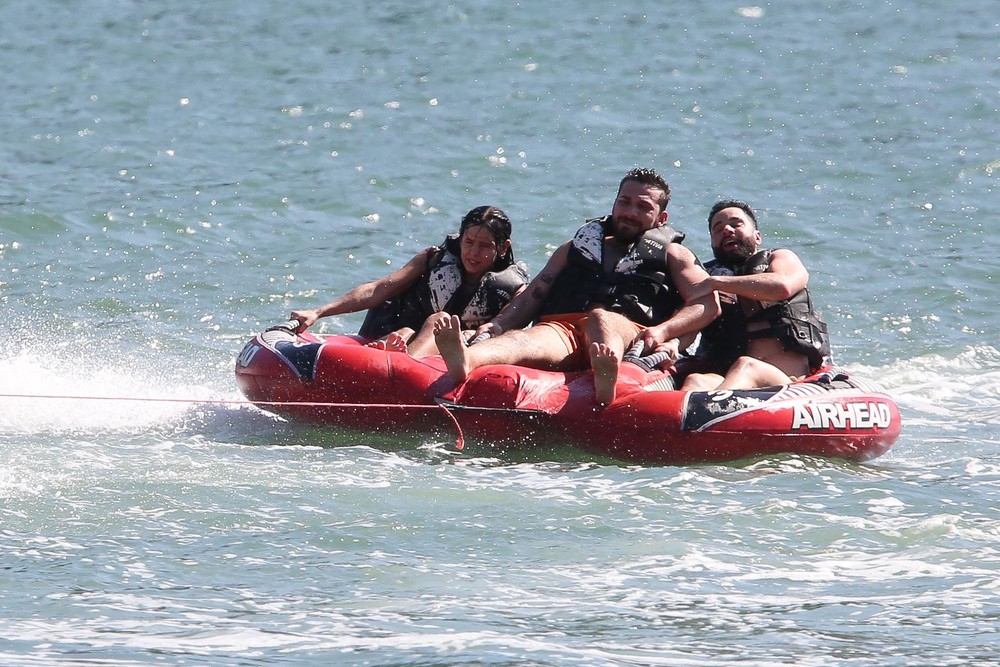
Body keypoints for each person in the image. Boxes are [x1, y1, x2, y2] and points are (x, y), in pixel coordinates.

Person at [432, 167, 720, 406]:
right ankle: (466, 359)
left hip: (628, 331)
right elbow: (534, 294)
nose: (630, 212)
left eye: (643, 207)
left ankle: (607, 376)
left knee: (600, 318)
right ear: (615, 202)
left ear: (661, 218)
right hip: (564, 330)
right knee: (523, 340)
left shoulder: (673, 254)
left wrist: (662, 331)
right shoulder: (575, 248)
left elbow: (707, 303)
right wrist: (497, 325)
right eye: (624, 202)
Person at [290, 205, 528, 358]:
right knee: (404, 331)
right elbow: (377, 289)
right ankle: (393, 356)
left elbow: (504, 333)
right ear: (461, 238)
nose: (473, 253)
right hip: (408, 335)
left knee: (441, 322)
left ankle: (401, 362)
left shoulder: (514, 288)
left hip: (462, 351)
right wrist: (318, 312)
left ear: (503, 247)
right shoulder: (433, 259)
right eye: (469, 242)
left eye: (484, 246)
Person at [681, 199, 832, 391]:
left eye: (736, 224)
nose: (727, 230)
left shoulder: (778, 258)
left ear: (758, 236)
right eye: (718, 229)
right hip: (730, 376)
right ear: (712, 242)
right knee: (696, 381)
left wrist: (716, 283)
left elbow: (783, 286)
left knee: (747, 367)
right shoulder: (706, 274)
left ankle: (713, 415)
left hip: (789, 381)